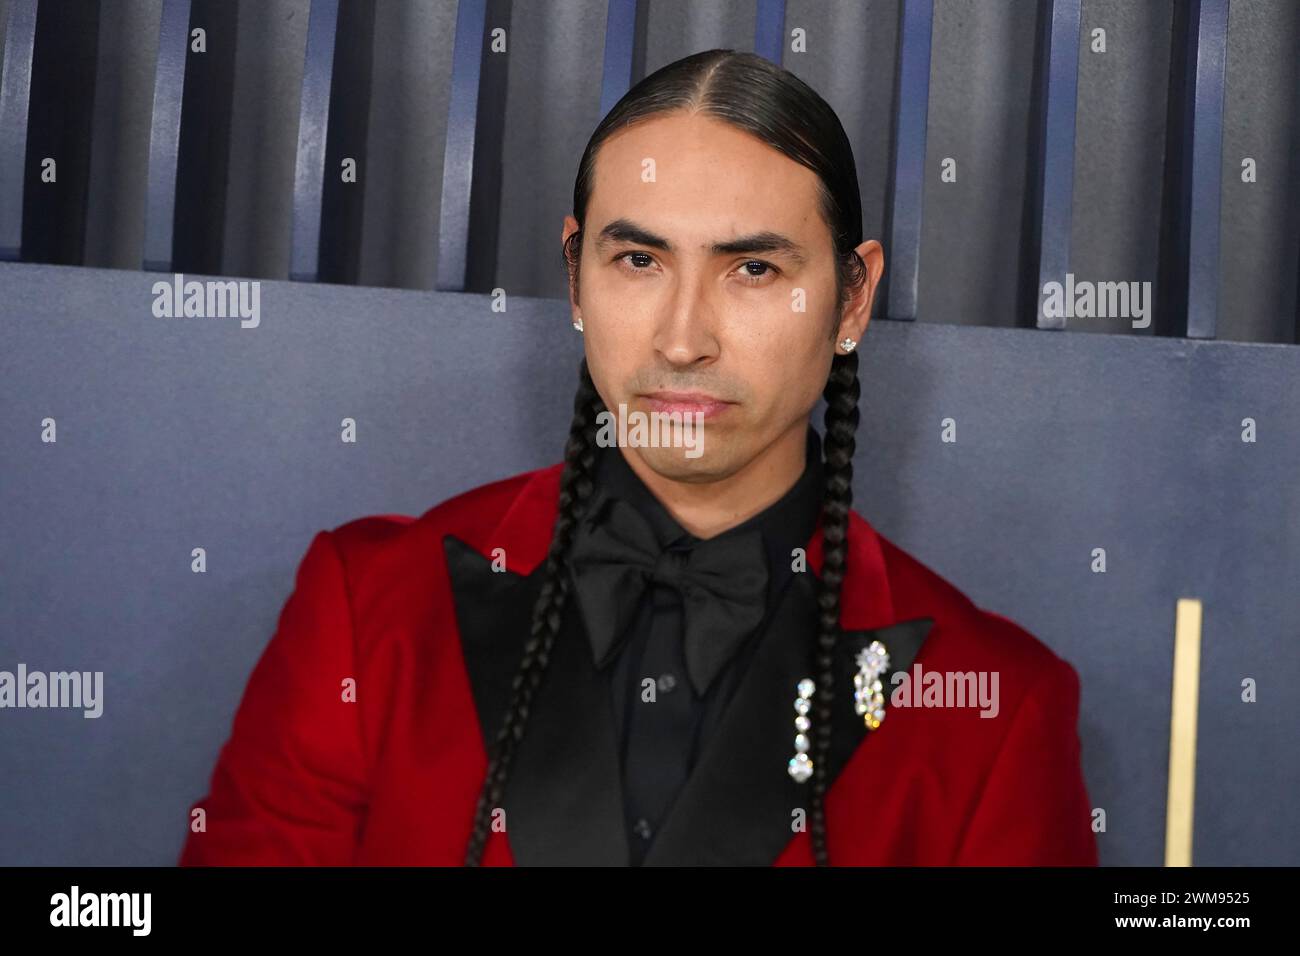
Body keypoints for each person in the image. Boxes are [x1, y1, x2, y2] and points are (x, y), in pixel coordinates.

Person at [180, 49, 1097, 867]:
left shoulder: (1001, 705)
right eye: (639, 261)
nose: (684, 338)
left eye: (753, 270)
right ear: (576, 273)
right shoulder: (367, 607)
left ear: (851, 302)